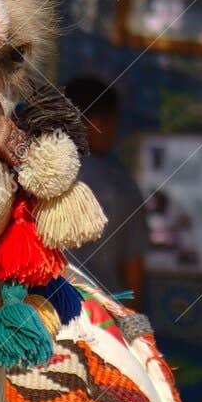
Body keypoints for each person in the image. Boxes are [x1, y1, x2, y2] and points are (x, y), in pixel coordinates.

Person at [63, 76, 149, 307]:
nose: (114, 133)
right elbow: (133, 270)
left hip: (42, 313)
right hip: (103, 319)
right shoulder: (122, 187)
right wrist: (133, 330)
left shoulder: (30, 174)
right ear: (98, 123)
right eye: (113, 124)